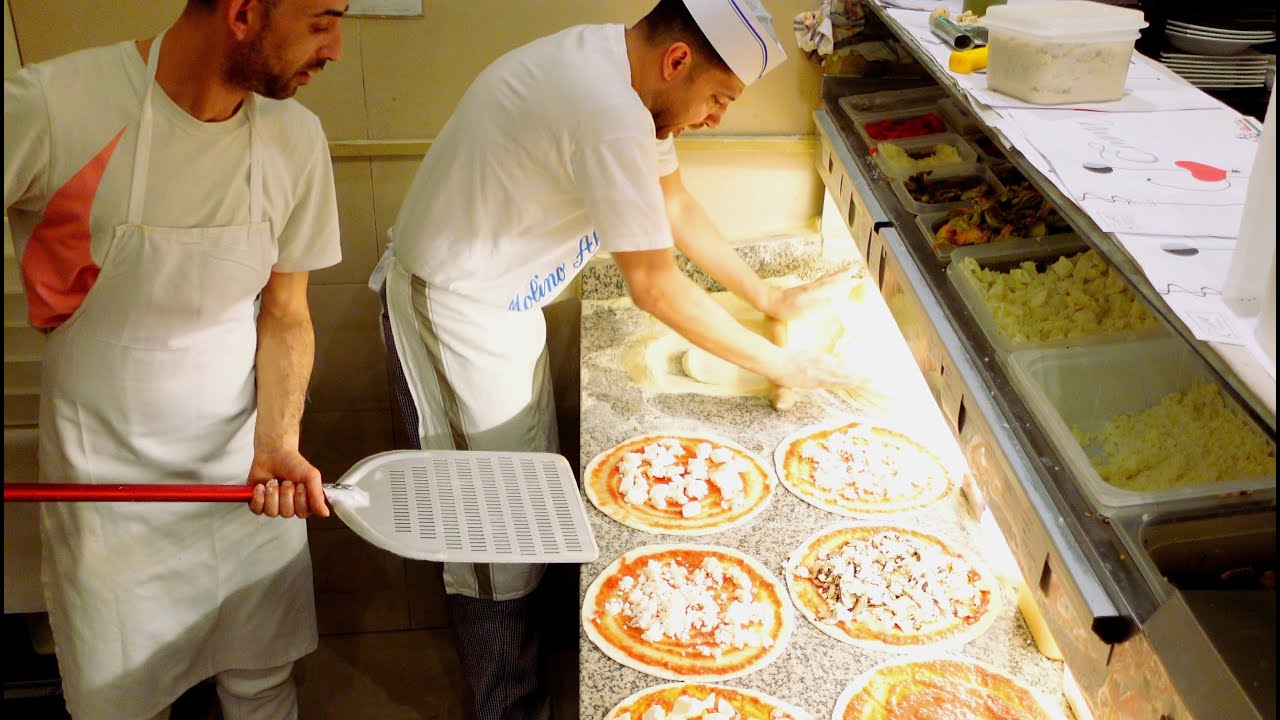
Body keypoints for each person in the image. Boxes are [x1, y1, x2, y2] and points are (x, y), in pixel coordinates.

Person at [373, 0, 865, 717]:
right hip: (451, 311)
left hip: (504, 307)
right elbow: (654, 288)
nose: (716, 118)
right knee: (489, 539)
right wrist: (782, 365)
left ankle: (530, 681)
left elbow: (676, 206)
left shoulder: (628, 83)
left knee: (529, 503)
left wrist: (772, 297)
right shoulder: (604, 105)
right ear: (677, 62)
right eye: (719, 98)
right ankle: (507, 707)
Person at [3, 1, 346, 718]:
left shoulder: (295, 138)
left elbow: (286, 314)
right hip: (108, 485)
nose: (336, 47)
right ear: (245, 13)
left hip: (244, 470)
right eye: (322, 21)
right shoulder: (54, 105)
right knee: (124, 702)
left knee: (263, 678)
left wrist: (278, 442)